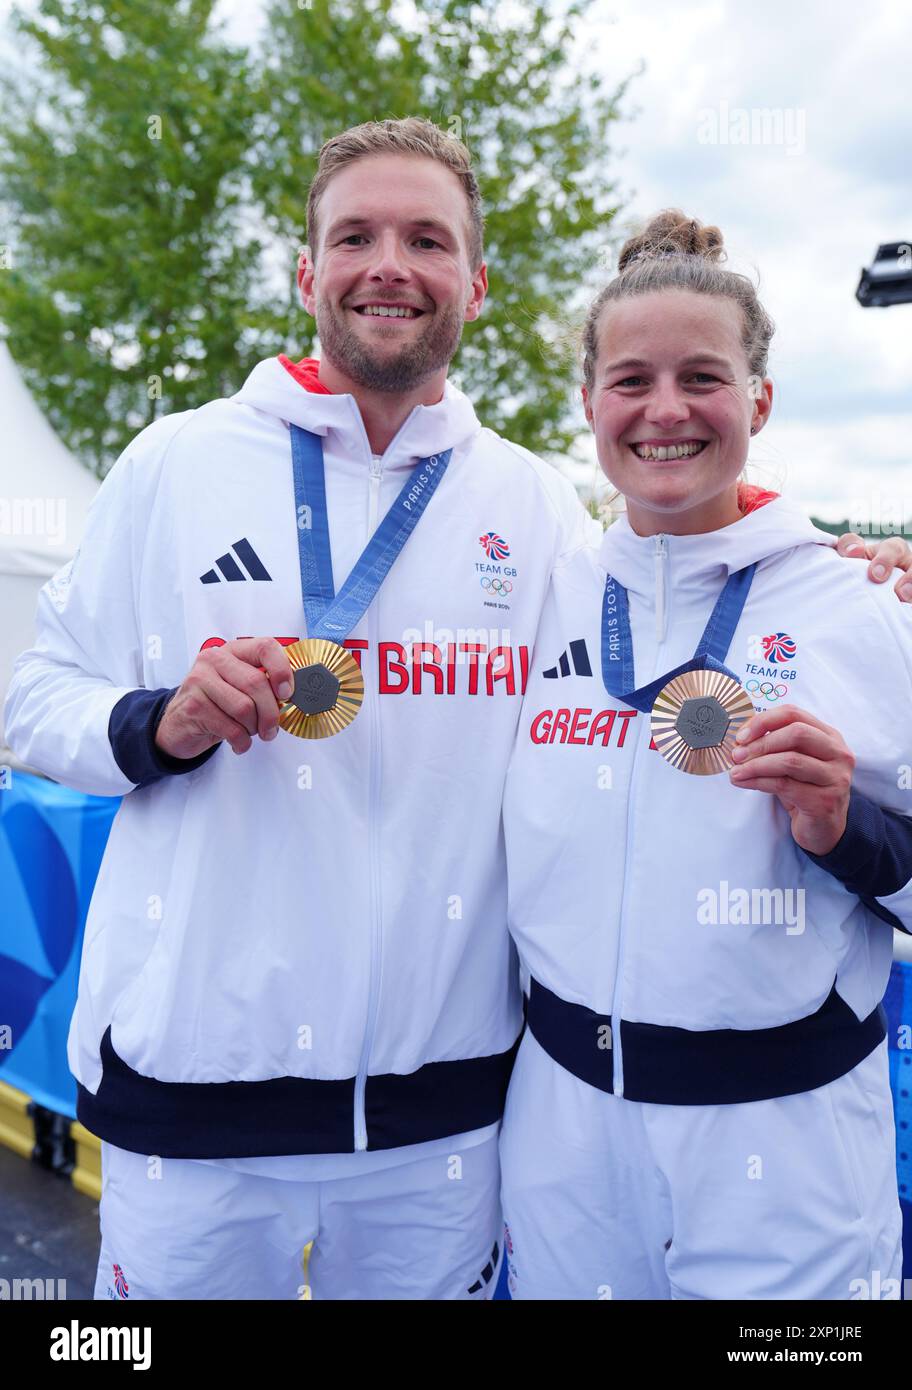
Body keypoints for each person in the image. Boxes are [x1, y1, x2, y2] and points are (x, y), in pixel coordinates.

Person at [3, 128, 909, 1301]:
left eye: (428, 240)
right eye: (357, 237)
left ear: (474, 284)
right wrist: (153, 722)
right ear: (306, 270)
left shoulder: (535, 508)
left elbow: (698, 577)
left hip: (448, 1131)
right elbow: (33, 700)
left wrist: (859, 568)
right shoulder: (176, 464)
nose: (391, 265)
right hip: (197, 1107)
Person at [499, 209, 912, 1301]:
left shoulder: (857, 601)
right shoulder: (548, 594)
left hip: (783, 1144)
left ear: (759, 400)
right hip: (562, 1132)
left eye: (703, 377)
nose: (665, 409)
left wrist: (845, 828)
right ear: (589, 403)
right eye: (630, 380)